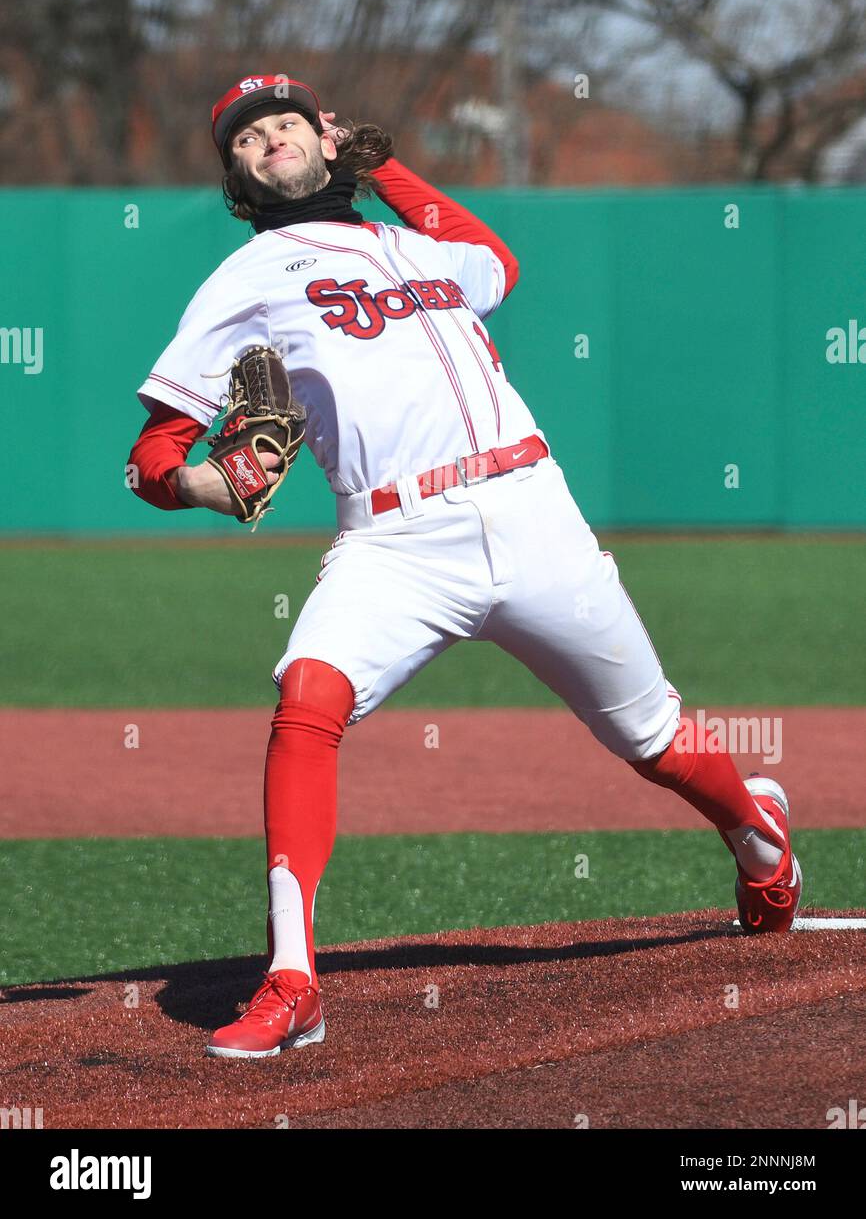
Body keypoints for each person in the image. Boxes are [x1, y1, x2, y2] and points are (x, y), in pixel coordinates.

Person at [127, 73, 802, 1060]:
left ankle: (756, 837)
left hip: (532, 512)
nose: (267, 138)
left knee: (653, 738)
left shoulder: (415, 246)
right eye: (245, 137)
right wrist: (204, 488)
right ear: (234, 178)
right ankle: (291, 980)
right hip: (393, 544)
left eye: (285, 123)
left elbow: (497, 262)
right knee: (306, 697)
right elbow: (151, 457)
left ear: (324, 139)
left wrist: (386, 165)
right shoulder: (243, 281)